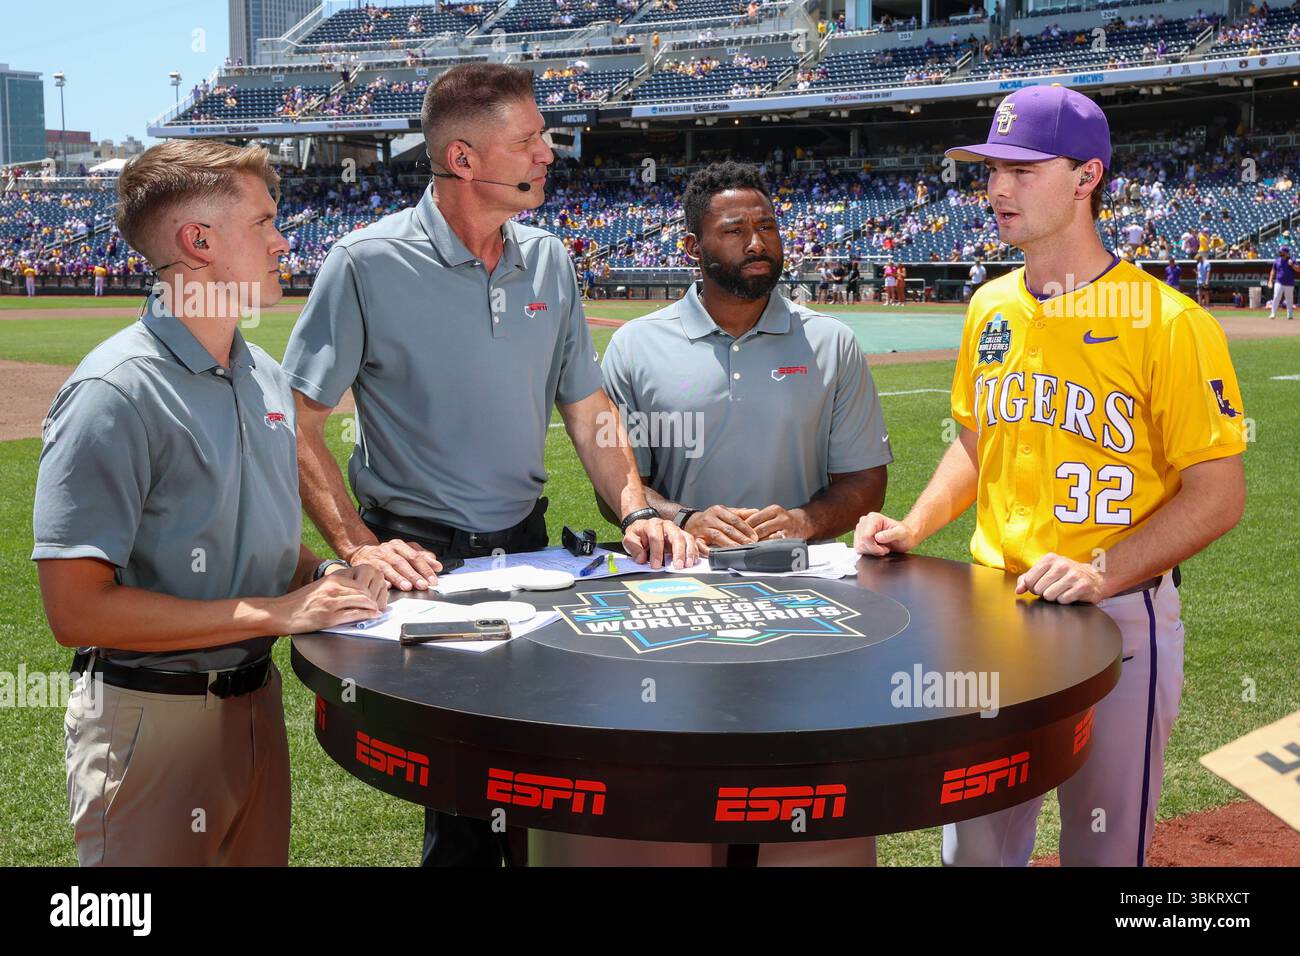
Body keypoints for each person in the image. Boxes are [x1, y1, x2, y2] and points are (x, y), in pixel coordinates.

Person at [280, 63, 698, 869]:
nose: (550, 151)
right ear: (464, 158)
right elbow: (296, 424)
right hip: (421, 562)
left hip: (531, 552)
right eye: (531, 138)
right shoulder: (365, 262)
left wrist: (639, 509)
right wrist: (360, 544)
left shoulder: (549, 260)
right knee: (467, 798)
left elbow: (589, 409)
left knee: (548, 771)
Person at [854, 87, 1246, 867]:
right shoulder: (990, 307)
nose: (998, 188)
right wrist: (917, 524)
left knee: (1104, 852)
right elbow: (975, 444)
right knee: (976, 852)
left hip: (1119, 621)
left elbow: (1219, 495)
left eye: (1024, 169)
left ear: (1087, 176)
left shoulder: (1168, 322)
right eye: (992, 168)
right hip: (994, 614)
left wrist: (1102, 570)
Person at [33, 140, 388, 867]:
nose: (283, 241)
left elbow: (245, 535)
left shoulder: (259, 371)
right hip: (148, 721)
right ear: (197, 243)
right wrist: (279, 614)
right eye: (263, 222)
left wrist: (321, 577)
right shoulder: (115, 392)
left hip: (253, 705)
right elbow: (76, 611)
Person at [599, 163, 890, 865]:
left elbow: (865, 481)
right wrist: (683, 518)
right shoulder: (636, 347)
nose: (757, 242)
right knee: (685, 785)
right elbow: (619, 488)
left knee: (799, 791)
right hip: (678, 608)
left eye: (766, 227)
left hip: (807, 609)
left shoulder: (832, 344)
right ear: (693, 245)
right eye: (734, 231)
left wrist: (803, 520)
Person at [1267, 245, 1295, 320]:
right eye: (1280, 252)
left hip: (1289, 283)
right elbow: (1273, 271)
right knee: (1276, 297)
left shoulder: (1292, 260)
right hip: (1279, 282)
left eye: (1282, 252)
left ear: (1286, 253)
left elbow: (1298, 269)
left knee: (1289, 299)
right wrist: (1270, 280)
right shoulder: (1277, 260)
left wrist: (1292, 265)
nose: (1280, 254)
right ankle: (1273, 313)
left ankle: (1290, 314)